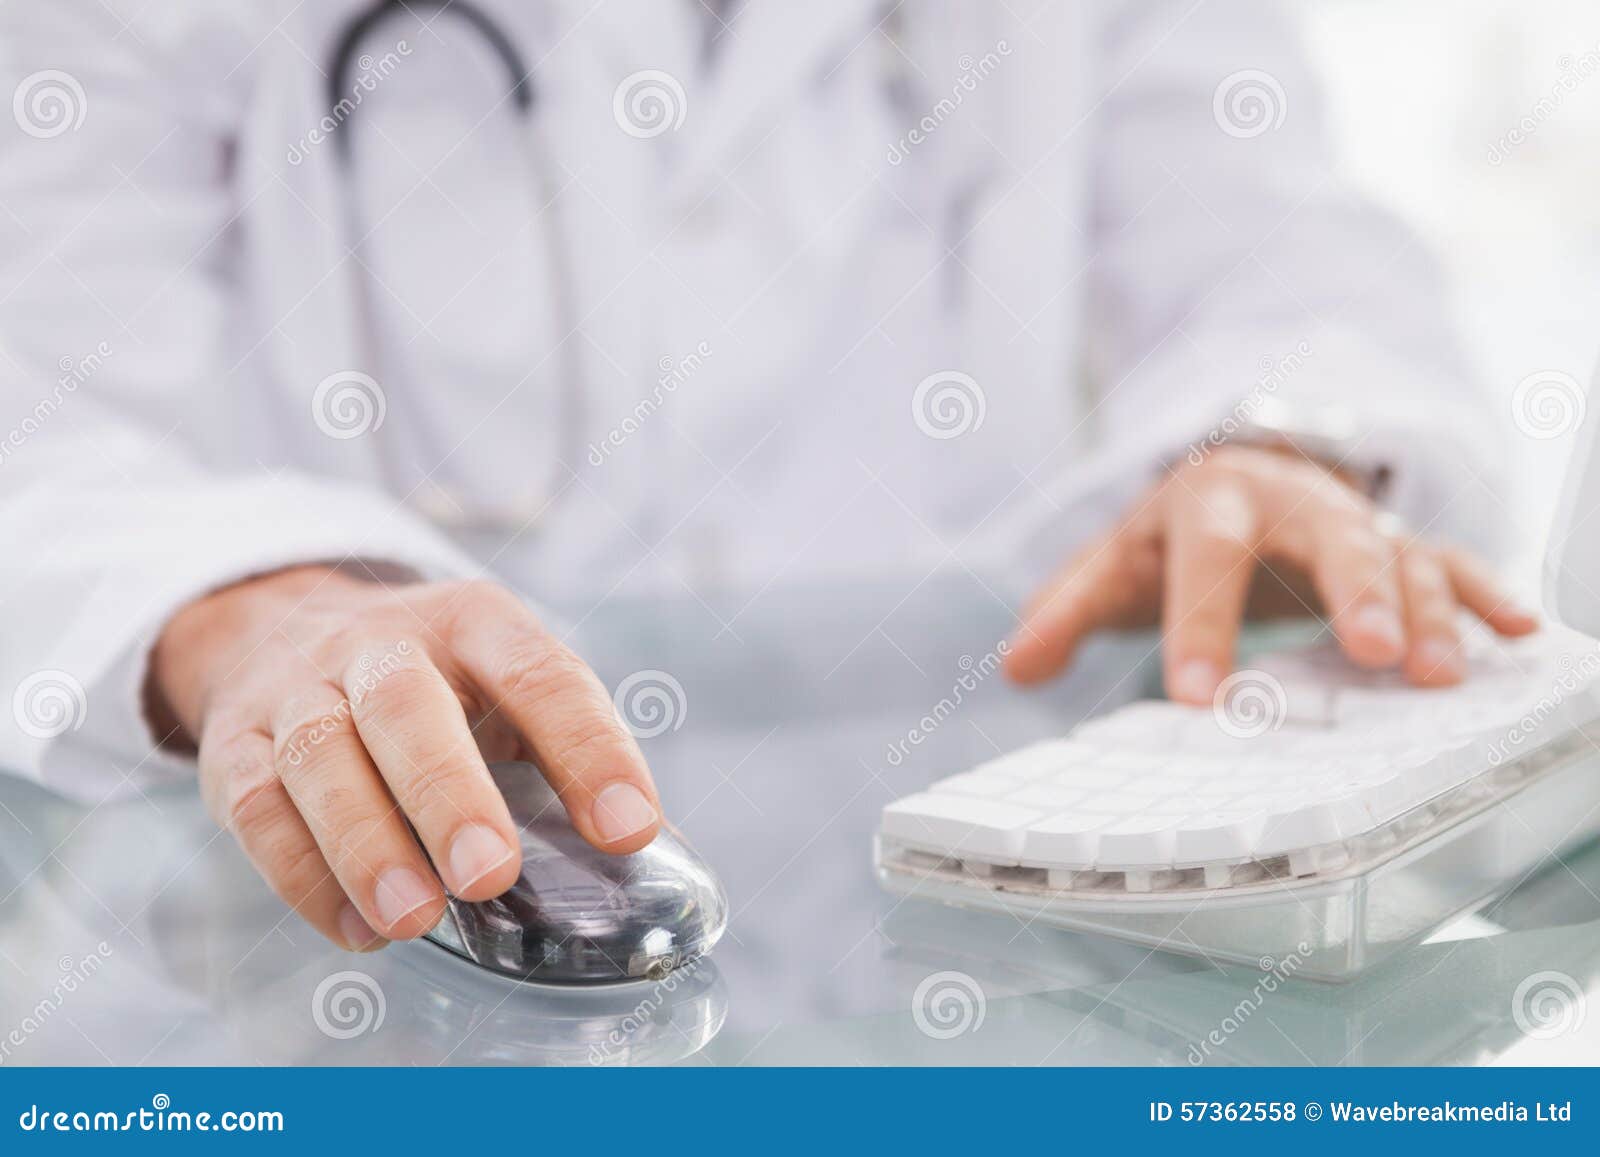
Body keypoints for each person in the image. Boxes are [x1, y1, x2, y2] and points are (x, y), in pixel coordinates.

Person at [0, 1, 1534, 954]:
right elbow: (34, 412)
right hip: (299, 969)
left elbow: (1284, 247)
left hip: (953, 913)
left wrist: (1274, 442)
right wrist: (245, 605)